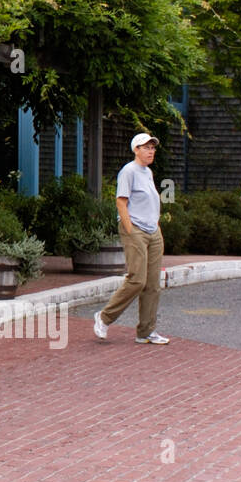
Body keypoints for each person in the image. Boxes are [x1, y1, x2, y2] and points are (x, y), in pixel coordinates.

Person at [94, 133, 170, 345]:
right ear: (136, 149)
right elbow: (121, 202)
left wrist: (156, 227)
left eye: (153, 148)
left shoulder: (148, 172)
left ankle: (145, 332)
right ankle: (104, 317)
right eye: (146, 147)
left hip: (153, 231)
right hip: (134, 229)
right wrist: (129, 229)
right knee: (137, 279)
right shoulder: (128, 171)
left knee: (153, 285)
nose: (151, 151)